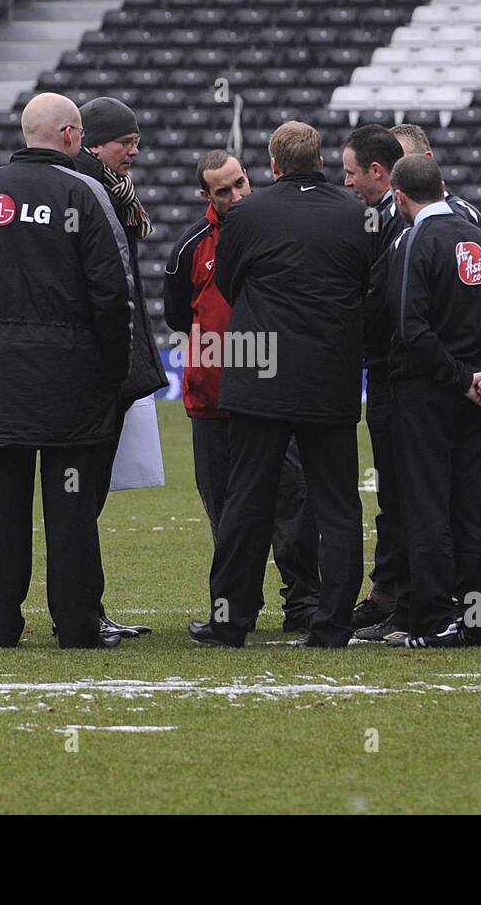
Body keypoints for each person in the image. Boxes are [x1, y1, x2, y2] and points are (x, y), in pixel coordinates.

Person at [0, 92, 134, 649]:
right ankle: (75, 626)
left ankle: (1, 627)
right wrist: (109, 369)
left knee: (2, 508)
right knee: (70, 507)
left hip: (2, 379)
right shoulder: (83, 191)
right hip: (72, 378)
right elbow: (110, 293)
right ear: (72, 136)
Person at [188, 122, 372, 648]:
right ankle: (332, 623)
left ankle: (230, 621)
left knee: (246, 498)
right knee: (337, 504)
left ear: (272, 165)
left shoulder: (248, 214)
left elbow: (229, 281)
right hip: (330, 377)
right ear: (322, 160)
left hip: (258, 375)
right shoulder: (357, 215)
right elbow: (368, 285)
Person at [163, 150, 320, 632]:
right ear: (205, 196)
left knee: (292, 502)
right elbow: (176, 316)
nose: (236, 195)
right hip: (212, 401)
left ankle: (303, 603)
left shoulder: (278, 227)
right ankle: (234, 609)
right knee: (225, 509)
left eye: (240, 183)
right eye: (223, 190)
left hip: (272, 393)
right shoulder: (190, 245)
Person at [385, 155, 481, 647]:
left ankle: (435, 619)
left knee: (427, 505)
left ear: (400, 196)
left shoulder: (411, 241)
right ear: (443, 186)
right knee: (476, 505)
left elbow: (410, 328)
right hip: (480, 397)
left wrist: (462, 379)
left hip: (427, 393)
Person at [74, 96, 168, 639]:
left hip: (108, 362)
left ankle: (86, 606)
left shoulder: (111, 191)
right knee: (82, 495)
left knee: (87, 494)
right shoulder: (95, 192)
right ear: (93, 142)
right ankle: (83, 609)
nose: (134, 151)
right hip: (99, 367)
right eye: (124, 142)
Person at [340, 124, 408, 638]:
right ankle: (388, 591)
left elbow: (382, 299)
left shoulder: (404, 222)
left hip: (400, 373)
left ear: (376, 172)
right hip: (386, 370)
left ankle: (410, 597)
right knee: (394, 487)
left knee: (408, 488)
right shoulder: (380, 216)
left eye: (349, 172)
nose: (345, 183)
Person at [390, 123, 481, 233]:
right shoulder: (386, 216)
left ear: (426, 159)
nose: (391, 172)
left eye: (398, 162)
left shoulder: (463, 216)